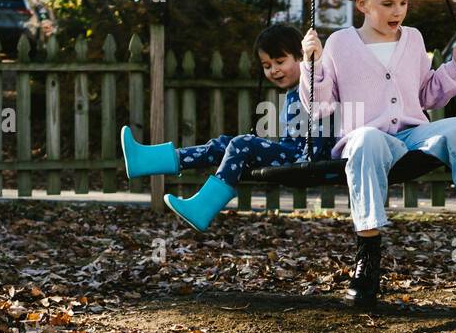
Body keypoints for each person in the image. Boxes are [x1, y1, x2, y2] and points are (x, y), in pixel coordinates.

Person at [300, 0, 456, 309]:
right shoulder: (340, 44)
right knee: (366, 139)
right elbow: (319, 106)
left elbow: (426, 95)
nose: (397, 12)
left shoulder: (414, 39)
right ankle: (367, 262)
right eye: (387, 4)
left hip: (413, 138)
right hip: (366, 139)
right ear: (363, 4)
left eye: (403, 3)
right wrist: (310, 65)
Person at [121, 23, 332, 231]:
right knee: (225, 144)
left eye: (279, 61)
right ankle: (147, 161)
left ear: (301, 57)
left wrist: (310, 157)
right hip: (291, 153)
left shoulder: (315, 86)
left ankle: (203, 207)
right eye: (267, 66)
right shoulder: (293, 91)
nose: (274, 70)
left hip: (304, 159)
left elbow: (323, 123)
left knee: (242, 144)